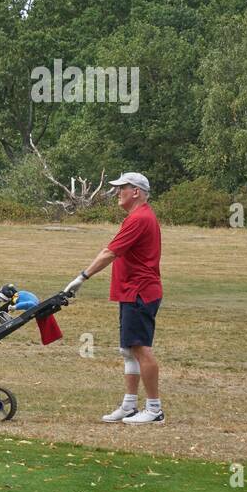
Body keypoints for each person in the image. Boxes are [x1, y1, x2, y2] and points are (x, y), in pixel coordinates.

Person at [63, 172, 164, 424]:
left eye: (123, 188)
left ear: (136, 192)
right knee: (128, 349)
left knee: (140, 348)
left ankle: (154, 409)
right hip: (131, 291)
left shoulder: (139, 218)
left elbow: (110, 252)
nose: (118, 192)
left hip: (140, 291)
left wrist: (82, 277)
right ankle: (129, 405)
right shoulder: (137, 217)